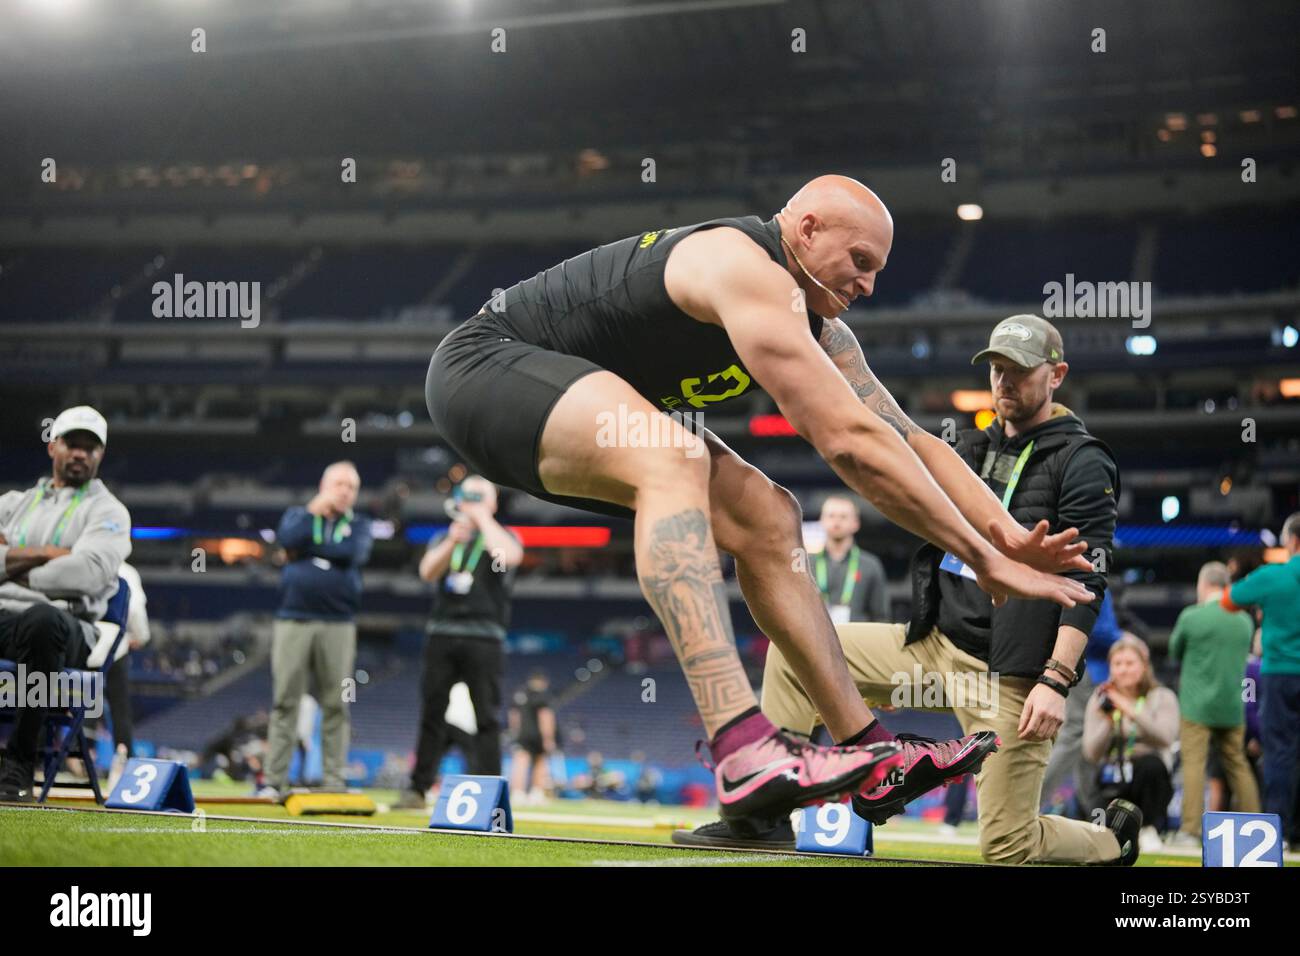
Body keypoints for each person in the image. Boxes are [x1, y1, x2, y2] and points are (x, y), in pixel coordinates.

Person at [425, 175, 1095, 823]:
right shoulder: (743, 267)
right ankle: (741, 745)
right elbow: (849, 443)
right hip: (484, 370)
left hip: (581, 400)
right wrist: (977, 555)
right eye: (860, 261)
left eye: (878, 271)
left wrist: (1005, 536)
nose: (868, 284)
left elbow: (911, 441)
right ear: (805, 230)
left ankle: (867, 749)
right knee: (674, 454)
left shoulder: (826, 332)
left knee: (770, 516)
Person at [684, 314, 1138, 864]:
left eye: (1018, 370)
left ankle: (1112, 842)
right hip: (930, 648)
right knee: (790, 651)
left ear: (1057, 374)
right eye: (996, 369)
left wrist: (1056, 680)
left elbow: (1087, 578)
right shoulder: (969, 447)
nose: (1004, 382)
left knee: (1008, 850)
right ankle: (761, 817)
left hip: (1011, 678)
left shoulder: (1083, 460)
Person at [0, 406, 132, 801]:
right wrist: (50, 553)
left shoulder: (109, 512)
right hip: (5, 618)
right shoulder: (12, 503)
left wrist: (13, 563)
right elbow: (71, 564)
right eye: (72, 444)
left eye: (90, 448)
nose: (80, 454)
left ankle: (19, 767)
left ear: (100, 456)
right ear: (52, 446)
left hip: (68, 626)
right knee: (37, 618)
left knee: (43, 620)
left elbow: (87, 573)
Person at [396, 476, 524, 809]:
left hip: (485, 637)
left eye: (480, 496)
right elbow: (427, 572)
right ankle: (417, 788)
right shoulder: (446, 536)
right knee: (432, 713)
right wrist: (453, 542)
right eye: (468, 496)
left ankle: (491, 793)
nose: (472, 501)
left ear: (493, 502)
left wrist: (482, 518)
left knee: (487, 716)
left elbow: (508, 556)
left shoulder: (502, 535)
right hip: (442, 632)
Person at [264, 461, 372, 797]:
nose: (344, 492)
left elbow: (352, 552)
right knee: (285, 701)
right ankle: (274, 782)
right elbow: (286, 538)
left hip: (338, 624)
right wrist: (313, 512)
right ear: (323, 485)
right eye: (339, 484)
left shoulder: (360, 524)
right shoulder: (299, 515)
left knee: (337, 703)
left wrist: (304, 552)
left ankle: (333, 782)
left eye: (351, 487)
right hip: (293, 619)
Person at [1167, 562, 1260, 844]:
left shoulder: (1192, 616)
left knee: (1195, 764)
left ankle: (1190, 831)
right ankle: (1258, 825)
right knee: (1238, 765)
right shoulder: (1244, 621)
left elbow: (1174, 651)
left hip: (1197, 707)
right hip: (1232, 707)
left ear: (1203, 584)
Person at [1224, 512, 1300, 846]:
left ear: (1291, 541)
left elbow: (1228, 600)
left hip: (1280, 673)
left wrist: (1265, 609)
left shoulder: (1274, 575)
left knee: (1280, 753)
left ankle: (1280, 833)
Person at [1083, 636, 1180, 854]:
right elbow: (1091, 752)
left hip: (1149, 778)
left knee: (1150, 764)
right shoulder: (1100, 699)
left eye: (1129, 663)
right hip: (1113, 776)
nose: (1123, 670)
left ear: (1144, 666)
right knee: (1090, 775)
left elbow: (1165, 737)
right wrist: (1108, 721)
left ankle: (1148, 829)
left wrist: (1129, 709)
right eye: (1117, 664)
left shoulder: (1162, 696)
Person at [814, 495, 890, 624]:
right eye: (831, 516)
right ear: (821, 520)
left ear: (856, 524)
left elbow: (880, 616)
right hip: (815, 640)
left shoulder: (870, 565)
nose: (836, 521)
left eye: (843, 517)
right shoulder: (806, 564)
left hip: (857, 641)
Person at [508, 671, 558, 805]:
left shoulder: (520, 694)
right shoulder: (542, 695)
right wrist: (548, 739)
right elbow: (545, 717)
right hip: (537, 735)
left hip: (522, 734)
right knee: (540, 762)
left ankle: (517, 793)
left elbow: (514, 716)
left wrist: (515, 732)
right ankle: (537, 793)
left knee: (520, 762)